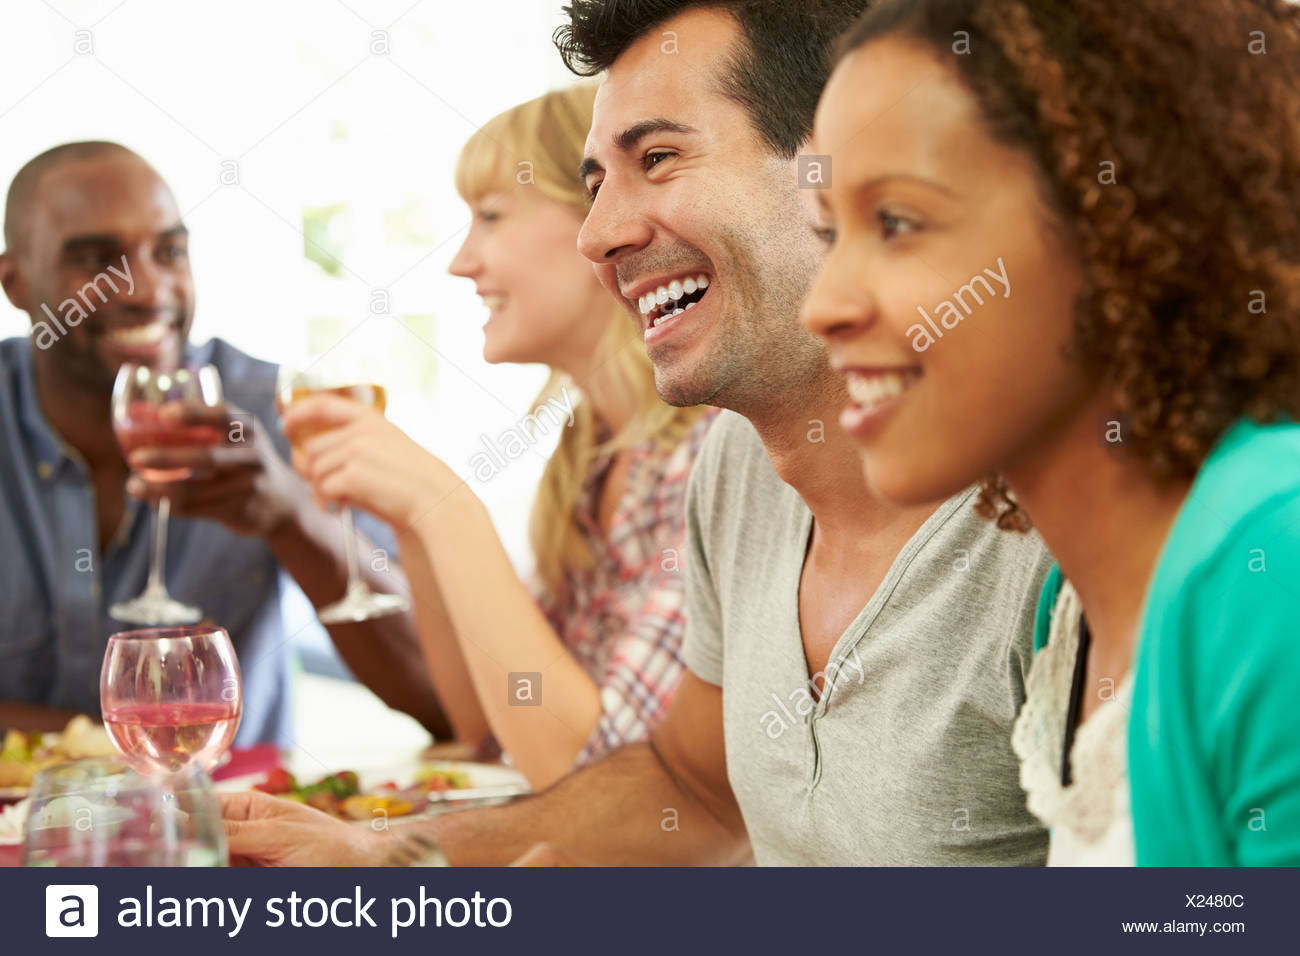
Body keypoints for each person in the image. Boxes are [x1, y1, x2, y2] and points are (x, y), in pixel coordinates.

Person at [223, 0, 1054, 867]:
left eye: (658, 158)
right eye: (591, 187)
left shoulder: (1045, 532)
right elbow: (688, 788)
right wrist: (390, 856)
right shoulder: (737, 466)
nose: (598, 236)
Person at [802, 0, 1300, 866]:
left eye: (899, 224)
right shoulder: (1065, 617)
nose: (824, 306)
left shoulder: (1272, 568)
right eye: (829, 233)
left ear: (1113, 224)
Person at [280, 86, 715, 790]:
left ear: (598, 222)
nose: (461, 262)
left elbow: (598, 786)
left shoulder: (711, 449)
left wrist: (444, 508)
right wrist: (412, 523)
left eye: (490, 217)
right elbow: (487, 724)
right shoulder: (591, 452)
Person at [0, 141, 449, 744]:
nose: (146, 289)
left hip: (234, 827)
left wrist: (293, 516)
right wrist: (96, 745)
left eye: (169, 251)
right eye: (99, 260)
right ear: (16, 281)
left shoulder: (269, 415)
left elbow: (445, 699)